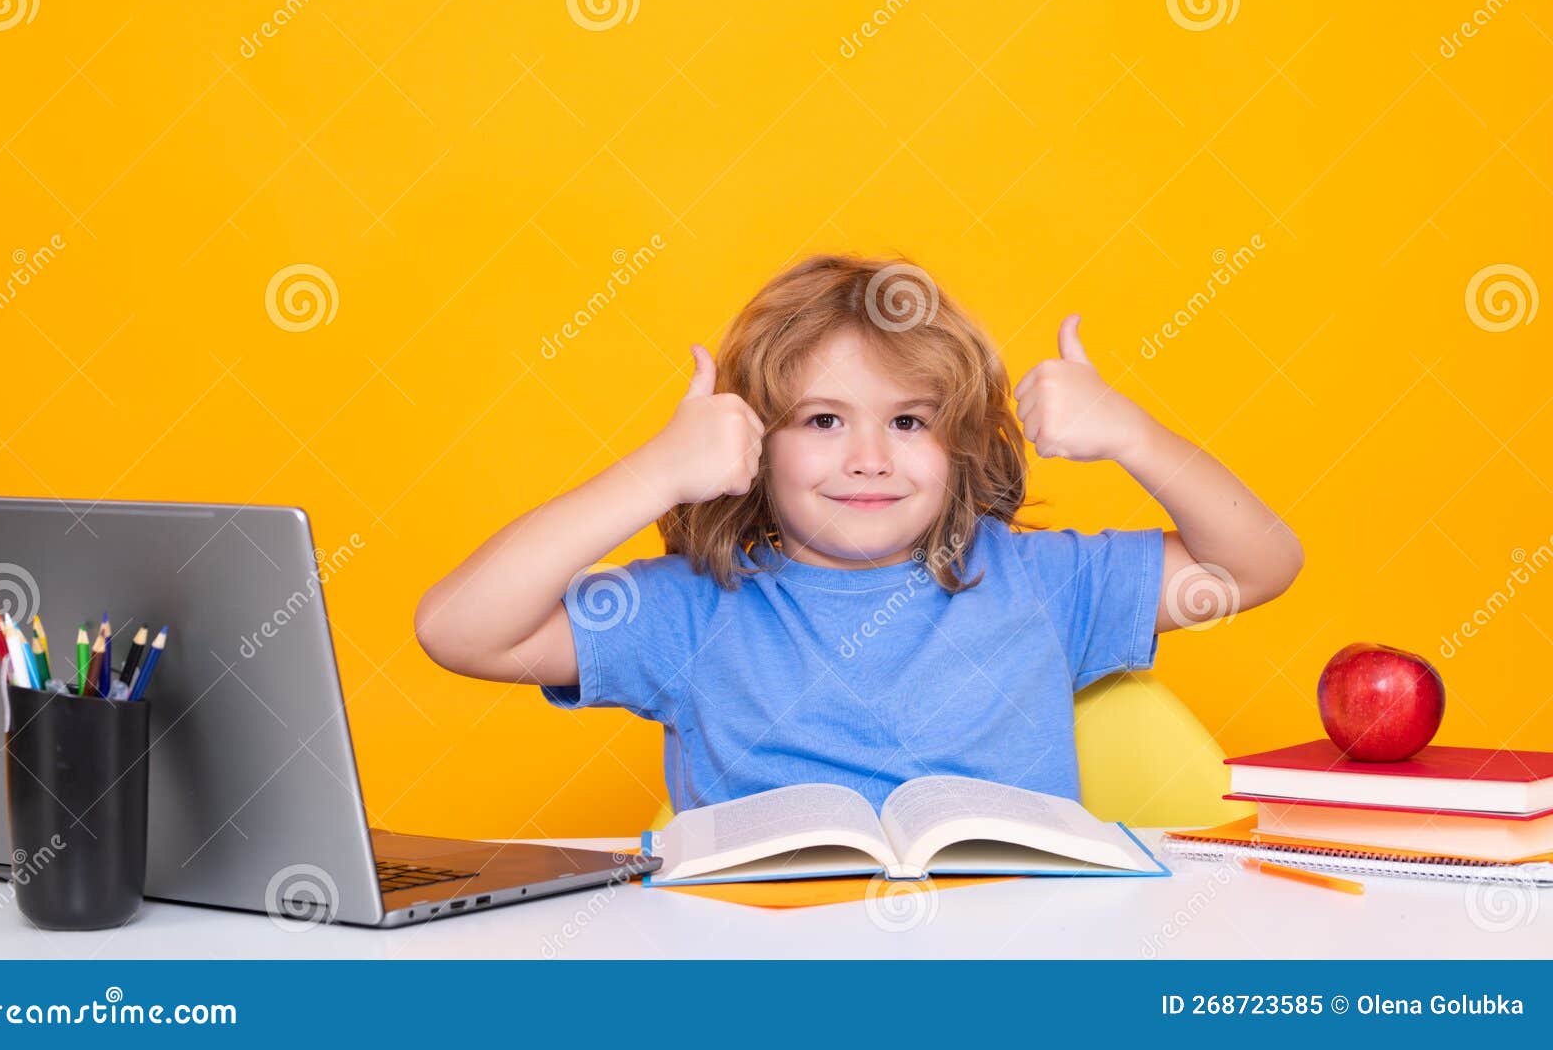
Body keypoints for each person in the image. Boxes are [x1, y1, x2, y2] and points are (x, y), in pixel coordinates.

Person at [415, 254, 1304, 813]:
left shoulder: (1043, 582)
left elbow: (1260, 563)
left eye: (910, 422)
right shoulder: (687, 611)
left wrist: (1132, 435)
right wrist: (653, 473)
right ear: (753, 444)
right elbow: (458, 629)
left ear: (959, 443)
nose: (870, 458)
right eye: (824, 421)